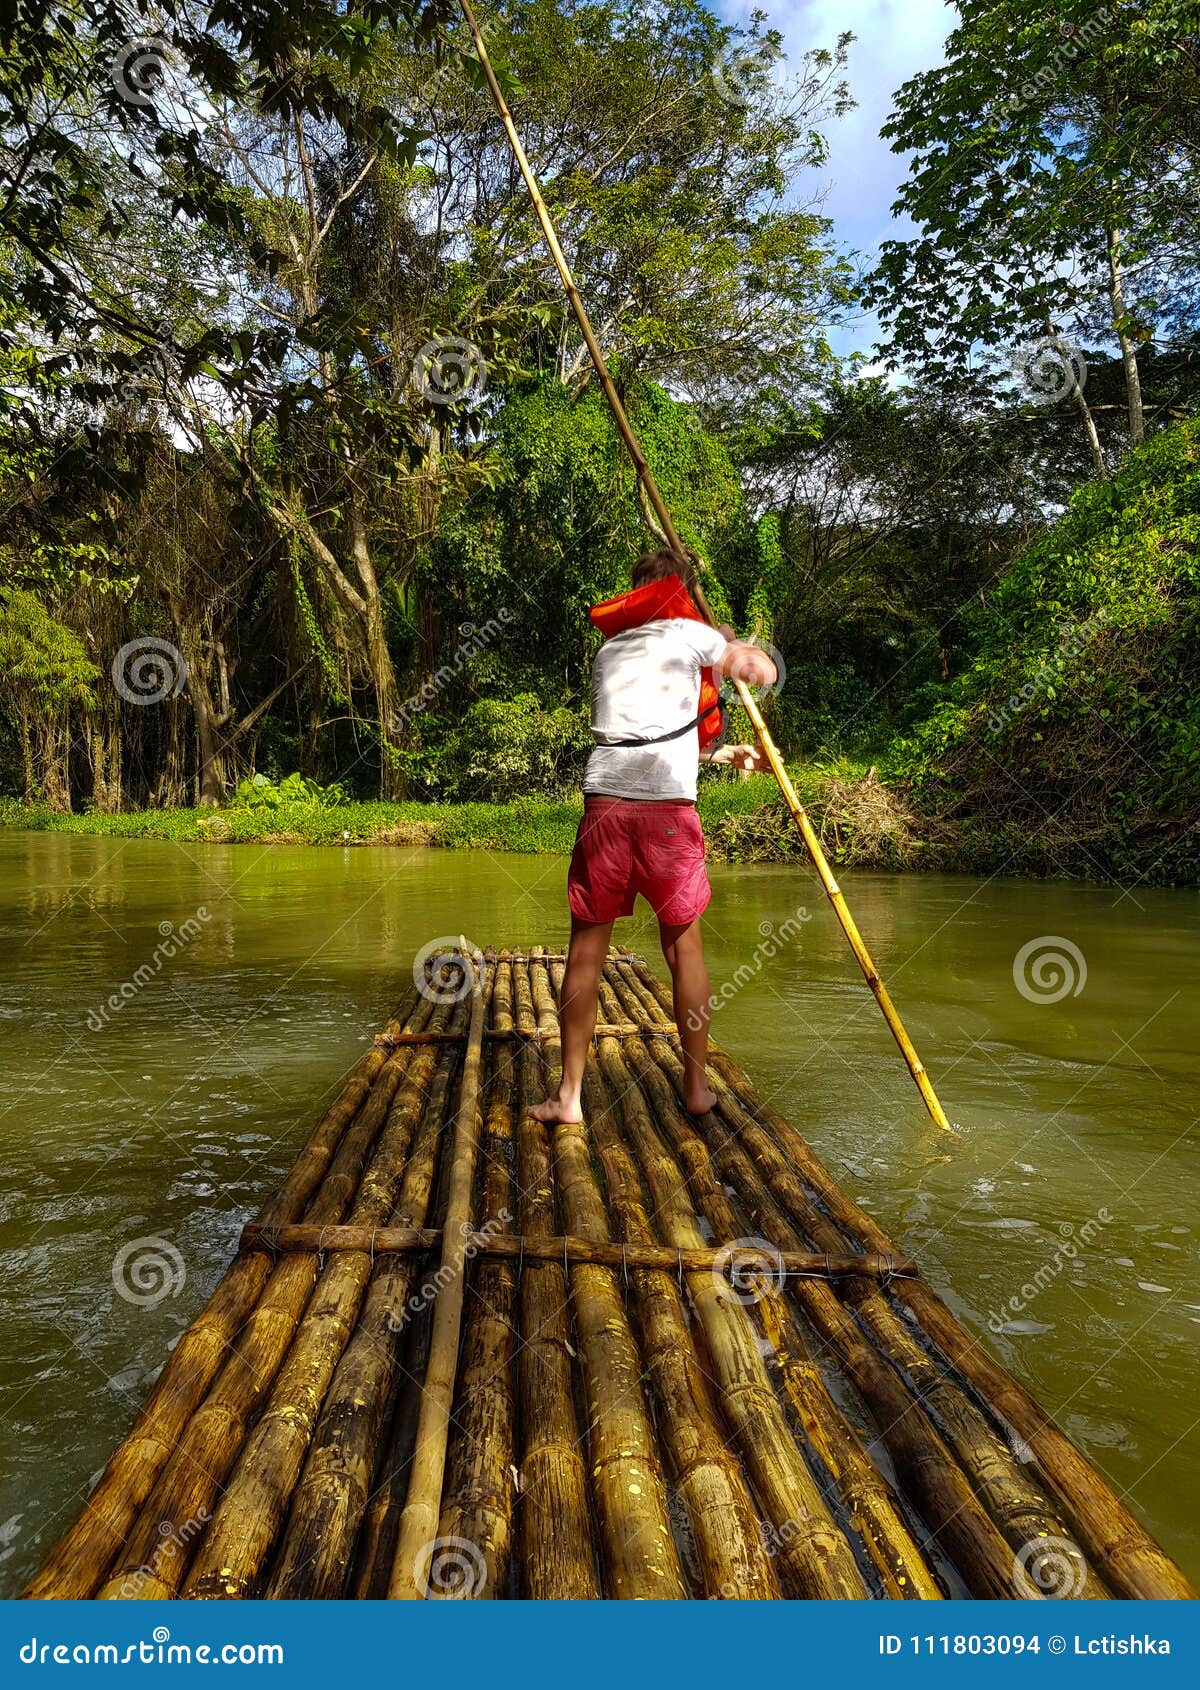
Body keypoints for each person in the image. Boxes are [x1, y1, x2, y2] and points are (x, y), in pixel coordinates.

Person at [531, 548, 778, 1124]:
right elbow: (760, 673)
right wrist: (729, 640)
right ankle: (695, 1088)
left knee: (585, 952)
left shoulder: (609, 649)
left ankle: (569, 1097)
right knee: (683, 949)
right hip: (667, 813)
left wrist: (723, 753)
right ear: (682, 593)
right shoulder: (691, 635)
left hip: (607, 806)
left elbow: (650, 733)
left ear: (634, 592)